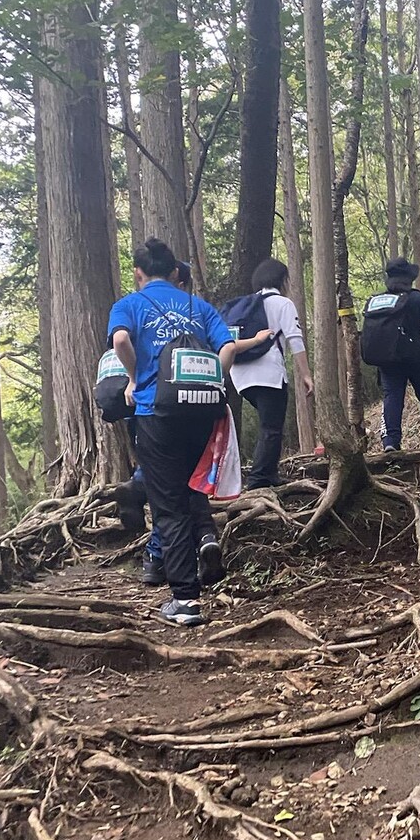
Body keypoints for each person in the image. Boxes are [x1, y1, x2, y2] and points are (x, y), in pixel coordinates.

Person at [107, 238, 235, 626]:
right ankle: (206, 544)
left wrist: (133, 378)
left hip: (155, 412)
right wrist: (215, 379)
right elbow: (228, 347)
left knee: (168, 504)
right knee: (192, 487)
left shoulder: (129, 304)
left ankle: (185, 600)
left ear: (138, 272)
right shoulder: (198, 306)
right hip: (202, 413)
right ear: (175, 271)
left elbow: (121, 340)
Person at [225, 258, 314, 489]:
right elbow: (295, 339)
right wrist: (305, 374)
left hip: (240, 375)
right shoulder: (282, 303)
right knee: (271, 427)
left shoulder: (244, 305)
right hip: (268, 373)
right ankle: (259, 481)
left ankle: (269, 474)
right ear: (282, 280)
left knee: (269, 424)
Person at [362, 257, 420, 453]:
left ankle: (390, 442)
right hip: (415, 357)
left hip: (387, 359)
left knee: (392, 397)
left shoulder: (377, 302)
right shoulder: (416, 298)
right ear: (409, 278)